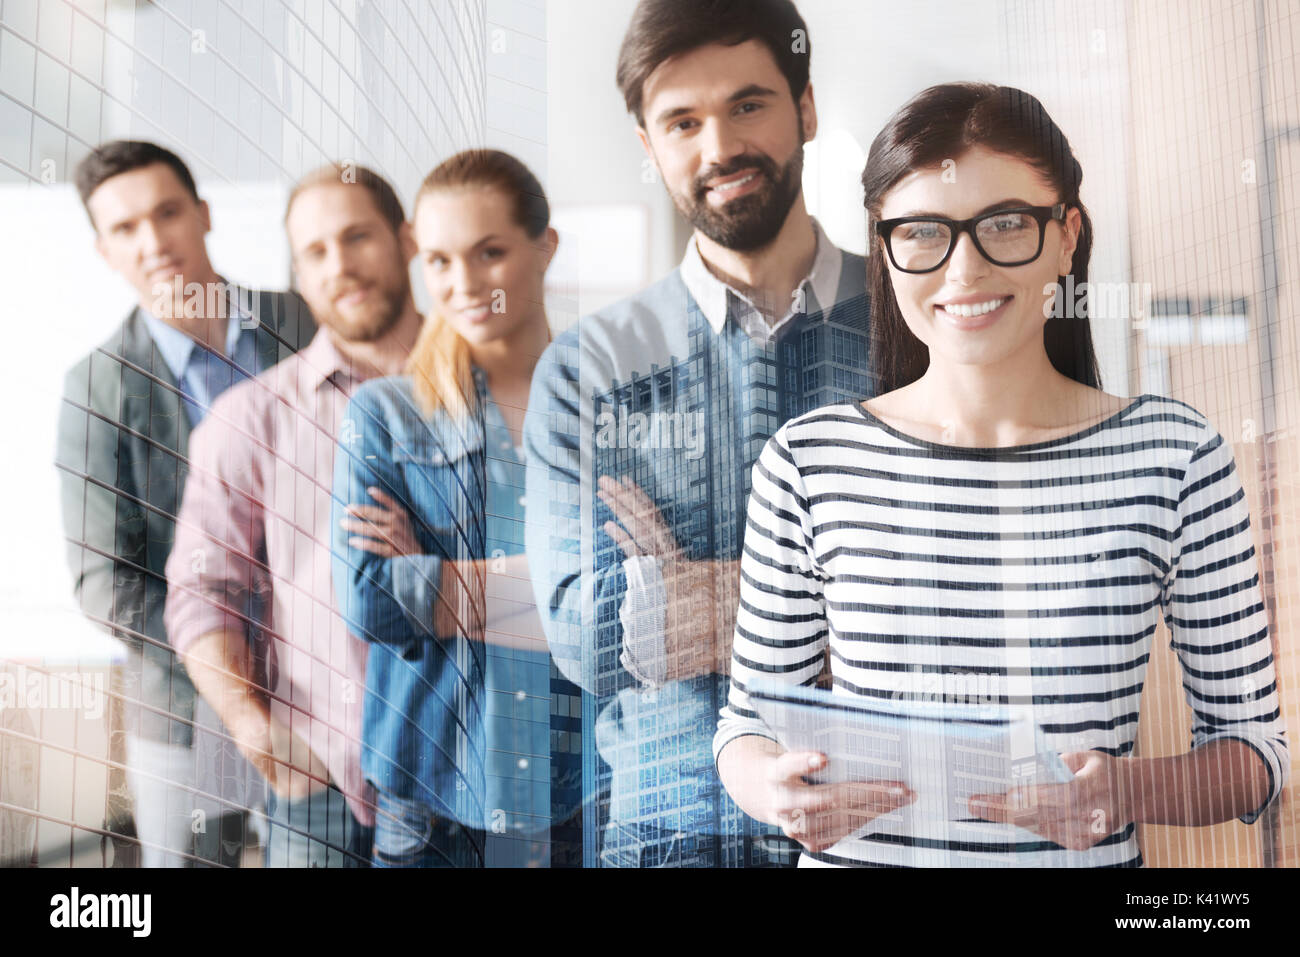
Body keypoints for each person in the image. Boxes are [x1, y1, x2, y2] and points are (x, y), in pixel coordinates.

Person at [714, 82, 1290, 867]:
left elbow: (1254, 752)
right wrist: (768, 785)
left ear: (1066, 236)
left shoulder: (1175, 455)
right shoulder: (807, 462)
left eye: (1007, 224)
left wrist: (1125, 792)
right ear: (885, 248)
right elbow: (745, 725)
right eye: (922, 232)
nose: (965, 268)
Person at [524, 0, 874, 867]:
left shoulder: (915, 325)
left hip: (886, 826)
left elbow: (965, 594)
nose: (719, 149)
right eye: (683, 122)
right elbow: (585, 635)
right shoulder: (586, 371)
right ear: (649, 146)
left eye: (748, 105)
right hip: (672, 841)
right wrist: (850, 606)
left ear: (807, 108)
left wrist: (684, 593)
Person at [55, 140, 315, 867]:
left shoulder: (304, 325)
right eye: (126, 228)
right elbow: (103, 582)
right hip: (183, 713)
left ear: (202, 214)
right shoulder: (97, 387)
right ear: (105, 250)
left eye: (167, 212)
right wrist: (225, 659)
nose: (154, 240)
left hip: (333, 698)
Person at [164, 164, 425, 867]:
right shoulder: (250, 419)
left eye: (357, 236)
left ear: (408, 239)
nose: (339, 264)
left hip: (475, 773)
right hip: (321, 787)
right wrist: (250, 724)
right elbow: (200, 590)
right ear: (299, 278)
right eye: (315, 252)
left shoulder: (498, 389)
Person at [332, 149, 558, 867]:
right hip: (426, 795)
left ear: (544, 246)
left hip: (572, 786)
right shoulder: (384, 415)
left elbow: (616, 607)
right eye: (438, 260)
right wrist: (554, 588)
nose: (463, 285)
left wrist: (432, 575)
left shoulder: (607, 406)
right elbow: (371, 603)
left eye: (490, 252)